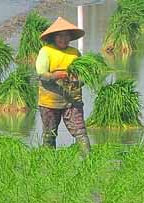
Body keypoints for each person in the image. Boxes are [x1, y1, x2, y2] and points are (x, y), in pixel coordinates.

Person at [35, 17, 91, 153]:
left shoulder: (75, 53)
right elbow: (41, 74)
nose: (63, 39)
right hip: (50, 102)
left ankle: (88, 160)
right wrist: (55, 76)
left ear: (70, 37)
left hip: (72, 101)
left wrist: (78, 79)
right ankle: (48, 161)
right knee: (49, 135)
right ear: (54, 37)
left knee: (80, 132)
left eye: (66, 36)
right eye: (60, 36)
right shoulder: (46, 51)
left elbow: (83, 76)